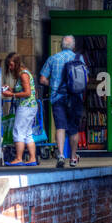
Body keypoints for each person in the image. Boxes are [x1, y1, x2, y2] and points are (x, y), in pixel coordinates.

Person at [39, 35, 86, 169]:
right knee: (73, 129)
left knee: (60, 127)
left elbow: (42, 79)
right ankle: (72, 157)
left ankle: (60, 155)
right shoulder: (79, 58)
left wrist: (53, 84)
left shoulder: (53, 59)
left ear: (61, 45)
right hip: (75, 97)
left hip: (58, 97)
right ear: (73, 46)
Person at [2, 53, 39, 166]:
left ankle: (18, 158)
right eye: (8, 65)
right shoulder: (23, 73)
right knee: (27, 133)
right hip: (30, 106)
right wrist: (11, 88)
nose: (10, 67)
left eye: (11, 65)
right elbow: (23, 89)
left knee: (18, 131)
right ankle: (32, 159)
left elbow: (27, 92)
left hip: (25, 106)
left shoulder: (23, 75)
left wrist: (11, 94)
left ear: (17, 63)